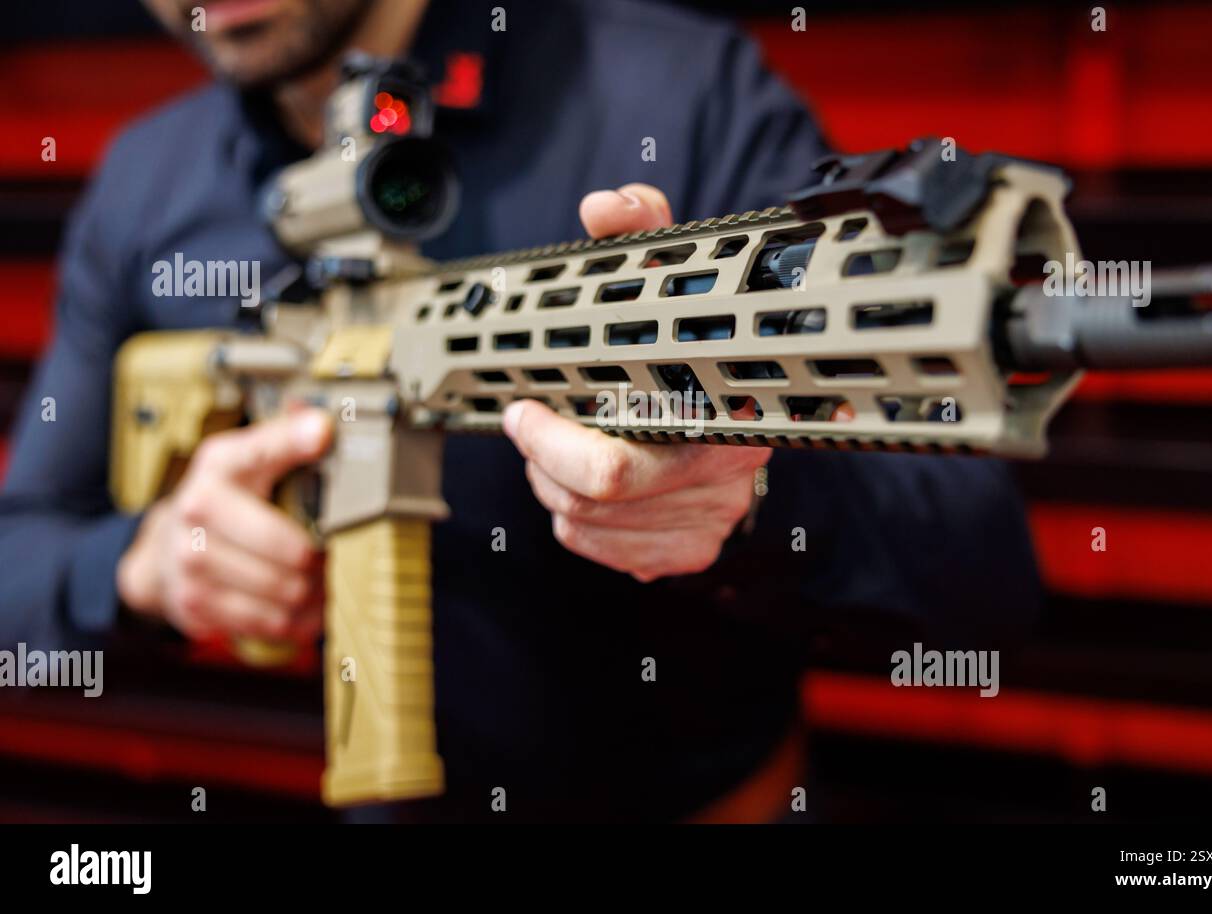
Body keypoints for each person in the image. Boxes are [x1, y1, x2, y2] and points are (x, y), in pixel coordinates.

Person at [0, 0, 1041, 822]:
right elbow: (18, 562)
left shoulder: (674, 98)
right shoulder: (146, 183)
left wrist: (751, 491)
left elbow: (981, 566)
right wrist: (145, 564)